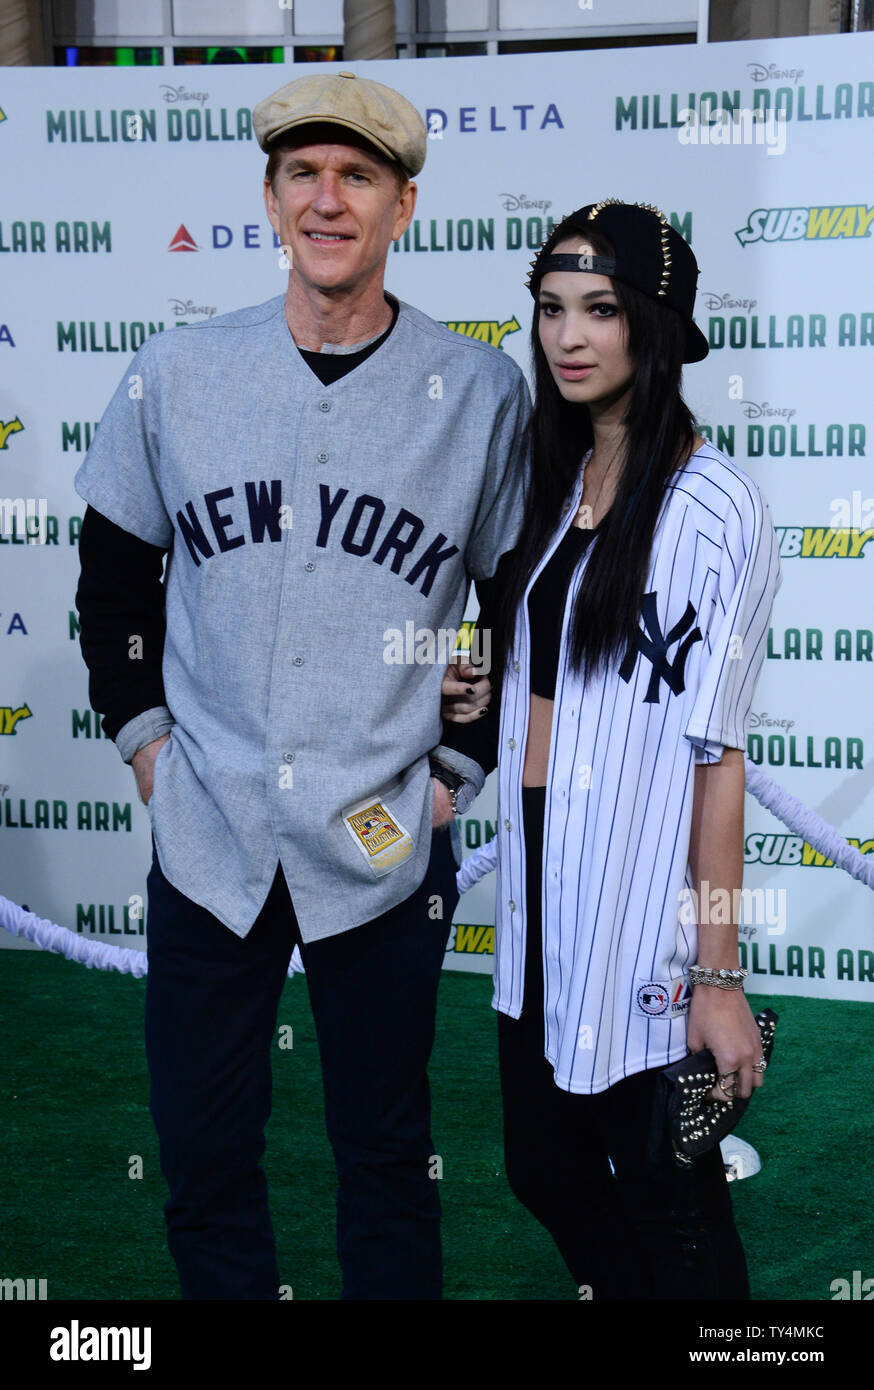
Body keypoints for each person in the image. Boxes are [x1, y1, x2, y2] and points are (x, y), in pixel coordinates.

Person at [73, 70, 530, 1301]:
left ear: (403, 206)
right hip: (209, 821)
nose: (327, 200)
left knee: (385, 1154)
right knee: (204, 1153)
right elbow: (114, 580)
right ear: (270, 201)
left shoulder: (480, 393)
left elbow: (497, 606)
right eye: (302, 175)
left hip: (380, 832)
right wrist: (146, 747)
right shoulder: (175, 370)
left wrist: (453, 769)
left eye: (357, 177)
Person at [439, 199, 782, 1300]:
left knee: (671, 1203)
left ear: (654, 324)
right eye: (548, 309)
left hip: (641, 920)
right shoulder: (545, 479)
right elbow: (554, 682)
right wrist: (483, 693)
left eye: (598, 309)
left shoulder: (715, 505)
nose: (567, 336)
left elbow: (715, 756)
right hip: (539, 900)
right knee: (542, 1167)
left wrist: (717, 974)